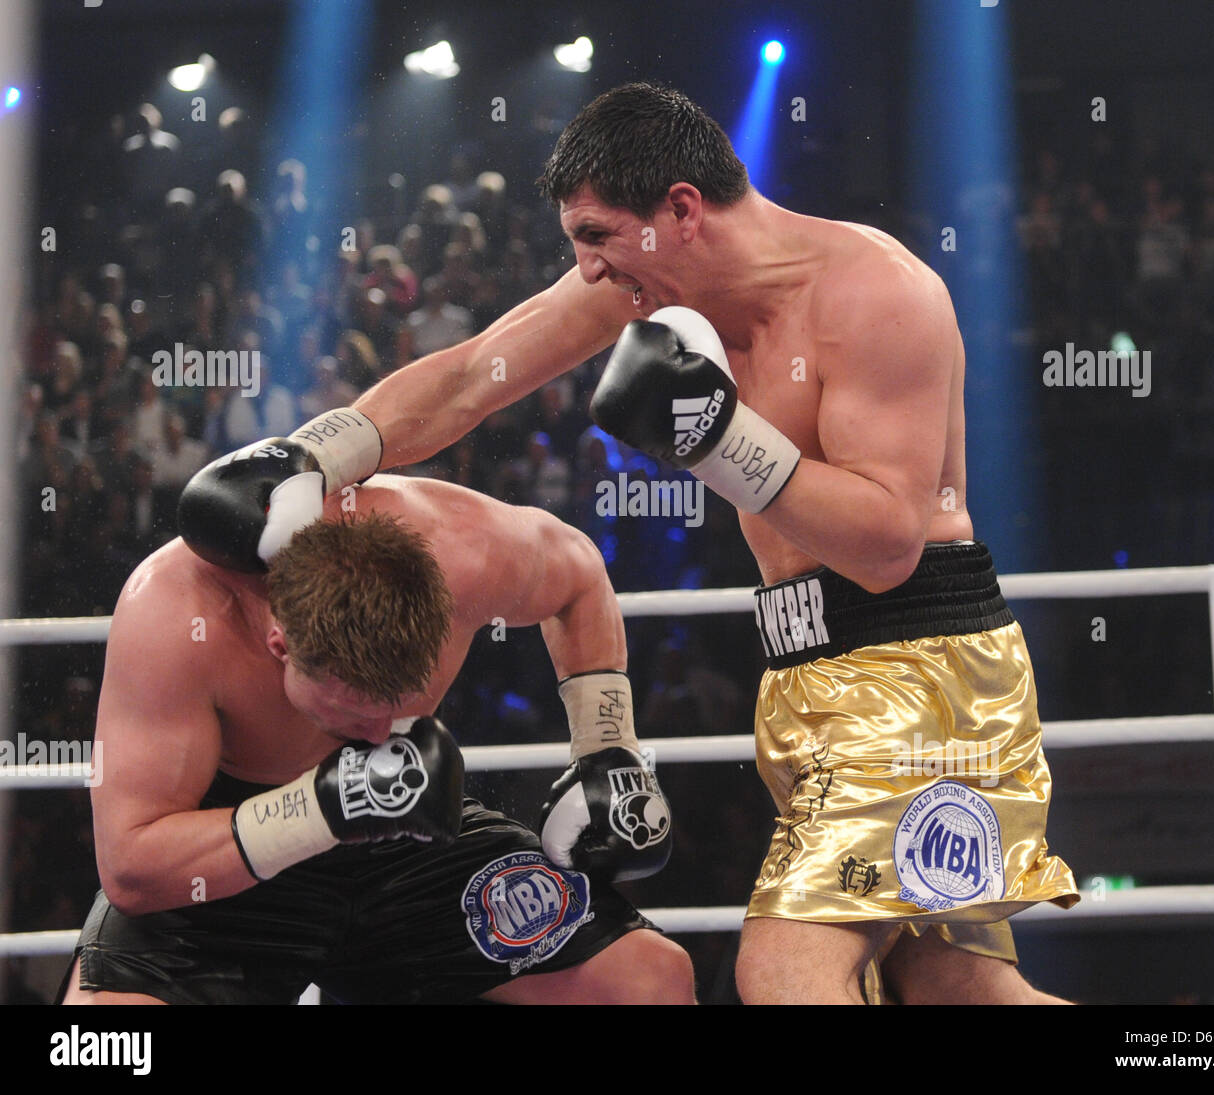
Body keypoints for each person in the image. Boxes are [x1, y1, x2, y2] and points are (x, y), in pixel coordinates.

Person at [179, 82, 1078, 1004]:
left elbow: (889, 542)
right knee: (954, 988)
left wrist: (722, 441)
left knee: (784, 975)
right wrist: (306, 458)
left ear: (680, 210)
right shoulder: (654, 287)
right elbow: (467, 380)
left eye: (599, 239)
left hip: (915, 672)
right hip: (812, 671)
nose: (594, 274)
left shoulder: (875, 294)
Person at [61, 472, 691, 1004]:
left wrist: (607, 745)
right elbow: (131, 866)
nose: (376, 734)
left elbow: (581, 573)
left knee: (653, 981)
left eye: (397, 709)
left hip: (403, 833)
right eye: (353, 717)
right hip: (221, 854)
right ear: (281, 644)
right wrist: (328, 806)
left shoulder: (464, 550)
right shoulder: (177, 613)